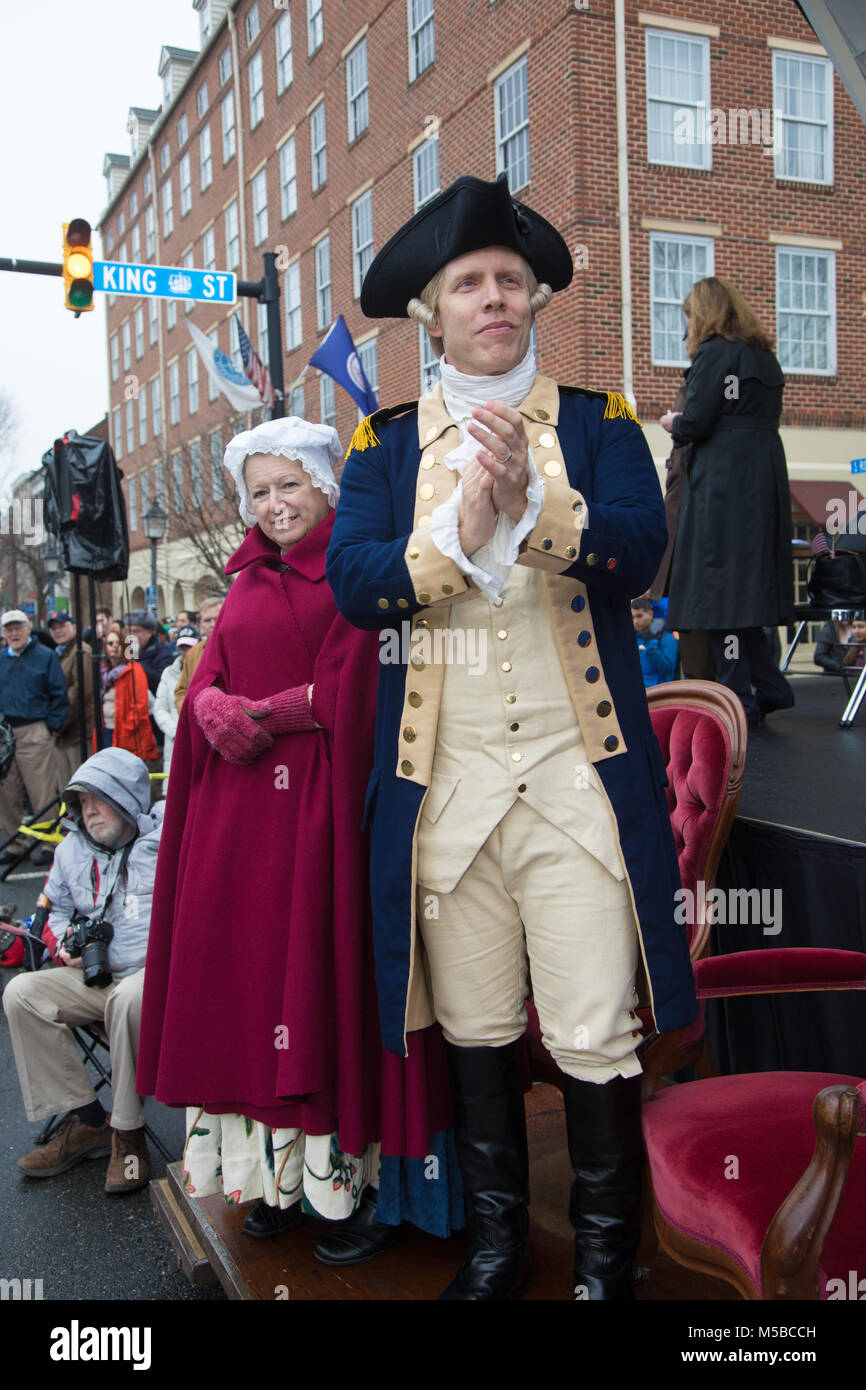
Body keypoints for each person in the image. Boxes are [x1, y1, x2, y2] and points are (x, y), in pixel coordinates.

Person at [327, 173, 698, 1300]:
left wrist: (538, 514)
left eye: (507, 280)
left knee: (593, 1033)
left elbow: (642, 554)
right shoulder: (380, 446)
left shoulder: (598, 424)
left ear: (532, 299)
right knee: (478, 1028)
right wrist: (458, 534)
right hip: (444, 794)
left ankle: (600, 1269)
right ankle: (495, 1251)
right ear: (429, 314)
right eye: (468, 284)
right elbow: (352, 585)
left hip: (575, 787)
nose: (493, 297)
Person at [137, 417, 457, 1251]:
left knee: (316, 993)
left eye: (290, 485)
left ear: (325, 487)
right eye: (260, 491)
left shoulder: (351, 569)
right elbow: (206, 675)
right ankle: (276, 1177)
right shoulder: (242, 579)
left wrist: (265, 713)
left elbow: (358, 691)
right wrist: (208, 703)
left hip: (319, 823)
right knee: (251, 1001)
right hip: (236, 832)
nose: (275, 504)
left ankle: (344, 1189)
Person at [2, 749, 164, 1194]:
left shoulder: (166, 839)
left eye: (99, 799)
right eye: (81, 802)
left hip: (156, 978)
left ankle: (128, 1135)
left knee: (129, 997)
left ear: (127, 798)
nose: (88, 811)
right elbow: (52, 917)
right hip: (93, 976)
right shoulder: (71, 849)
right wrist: (65, 946)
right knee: (21, 993)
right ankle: (89, 1120)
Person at [661, 277, 795, 728]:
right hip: (762, 477)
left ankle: (739, 701)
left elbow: (697, 422)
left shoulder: (715, 353)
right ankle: (770, 688)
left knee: (717, 596)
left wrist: (672, 421)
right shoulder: (765, 357)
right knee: (741, 594)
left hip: (723, 483)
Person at [0, 610, 69, 868]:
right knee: (6, 792)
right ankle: (15, 844)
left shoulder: (45, 656)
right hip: (5, 731)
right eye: (9, 630)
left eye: (18, 628)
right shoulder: (1, 659)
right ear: (4, 633)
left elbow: (59, 695)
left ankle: (48, 842)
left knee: (40, 790)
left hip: (35, 729)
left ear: (28, 628)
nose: (14, 634)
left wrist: (49, 727)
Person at [47, 611, 95, 786]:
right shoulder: (59, 653)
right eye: (54, 628)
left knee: (79, 784)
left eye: (62, 626)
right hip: (62, 733)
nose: (58, 631)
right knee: (64, 786)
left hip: (76, 732)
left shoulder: (81, 652)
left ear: (74, 628)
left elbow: (81, 692)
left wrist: (59, 723)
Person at [152, 625, 199, 788]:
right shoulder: (168, 672)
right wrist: (175, 730)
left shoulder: (204, 672)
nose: (187, 652)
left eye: (191, 648)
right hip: (174, 744)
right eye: (183, 648)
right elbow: (160, 708)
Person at [173, 597, 224, 712]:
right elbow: (181, 691)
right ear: (200, 624)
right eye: (207, 620)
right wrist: (190, 710)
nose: (212, 624)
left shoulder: (237, 648)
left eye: (217, 618)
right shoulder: (193, 653)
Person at [121, 611, 174, 697]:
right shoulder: (127, 651)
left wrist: (137, 665)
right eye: (128, 631)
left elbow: (162, 683)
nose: (131, 636)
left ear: (149, 632)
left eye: (136, 631)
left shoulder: (163, 654)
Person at [631, 599, 678, 687]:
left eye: (639, 616)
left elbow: (667, 670)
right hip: (638, 692)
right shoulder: (633, 639)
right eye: (632, 617)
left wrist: (651, 645)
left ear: (650, 614)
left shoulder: (666, 638)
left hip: (659, 694)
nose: (636, 621)